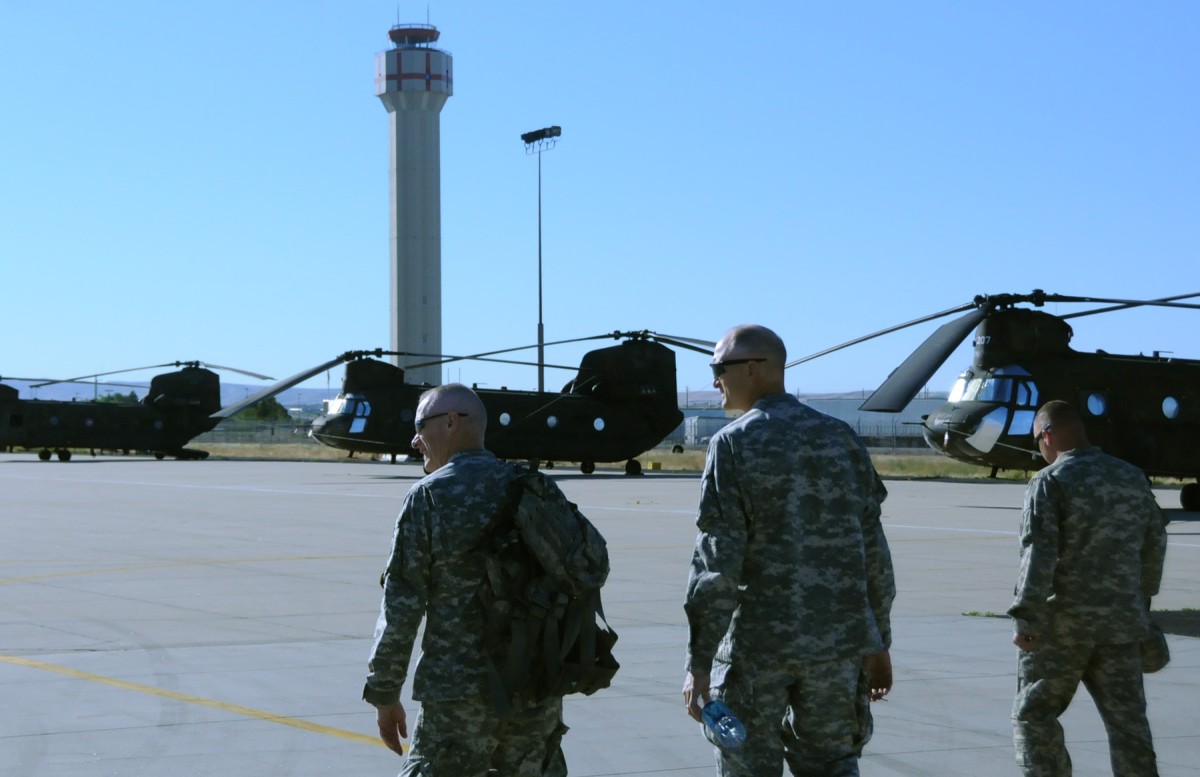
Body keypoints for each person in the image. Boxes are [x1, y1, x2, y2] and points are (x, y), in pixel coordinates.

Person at [681, 324, 896, 776]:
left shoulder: (733, 443)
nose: (714, 380)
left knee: (748, 766)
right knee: (832, 765)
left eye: (719, 368)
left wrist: (698, 663)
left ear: (753, 369)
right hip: (836, 651)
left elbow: (717, 563)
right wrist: (877, 641)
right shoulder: (841, 439)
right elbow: (873, 553)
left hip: (757, 653)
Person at [363, 383, 568, 776]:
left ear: (450, 423)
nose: (415, 440)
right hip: (536, 691)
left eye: (420, 426)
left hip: (459, 696)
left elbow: (402, 607)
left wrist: (384, 691)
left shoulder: (429, 497)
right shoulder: (534, 487)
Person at [1009, 400, 1168, 776]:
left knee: (1035, 715)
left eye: (1037, 441)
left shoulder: (1050, 481)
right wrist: (1140, 602)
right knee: (1129, 724)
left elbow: (1039, 553)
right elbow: (1155, 544)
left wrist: (1026, 617)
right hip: (1122, 624)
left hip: (1064, 627)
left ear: (1047, 435)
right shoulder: (1131, 477)